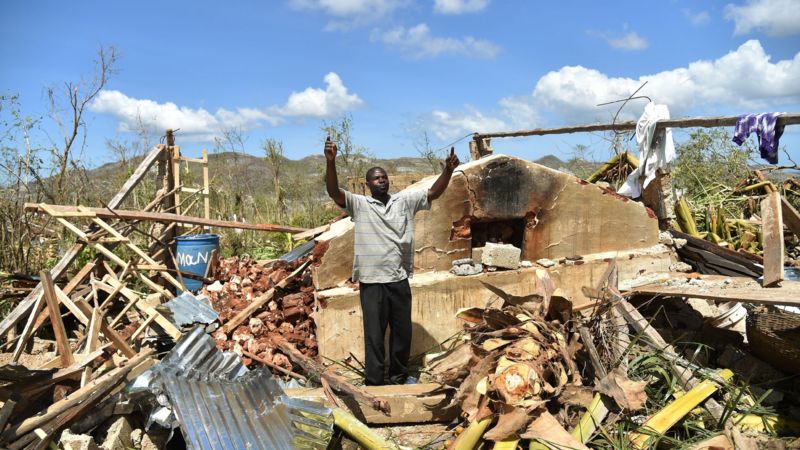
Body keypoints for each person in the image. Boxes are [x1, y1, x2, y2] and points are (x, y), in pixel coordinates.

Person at [324, 137, 460, 385]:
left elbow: (433, 192)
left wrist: (448, 170)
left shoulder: (404, 201)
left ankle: (399, 377)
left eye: (384, 177)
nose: (381, 180)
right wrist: (330, 162)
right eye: (376, 178)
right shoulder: (360, 204)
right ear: (367, 184)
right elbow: (334, 192)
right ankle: (374, 383)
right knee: (374, 336)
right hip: (372, 281)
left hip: (398, 279)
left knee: (402, 334)